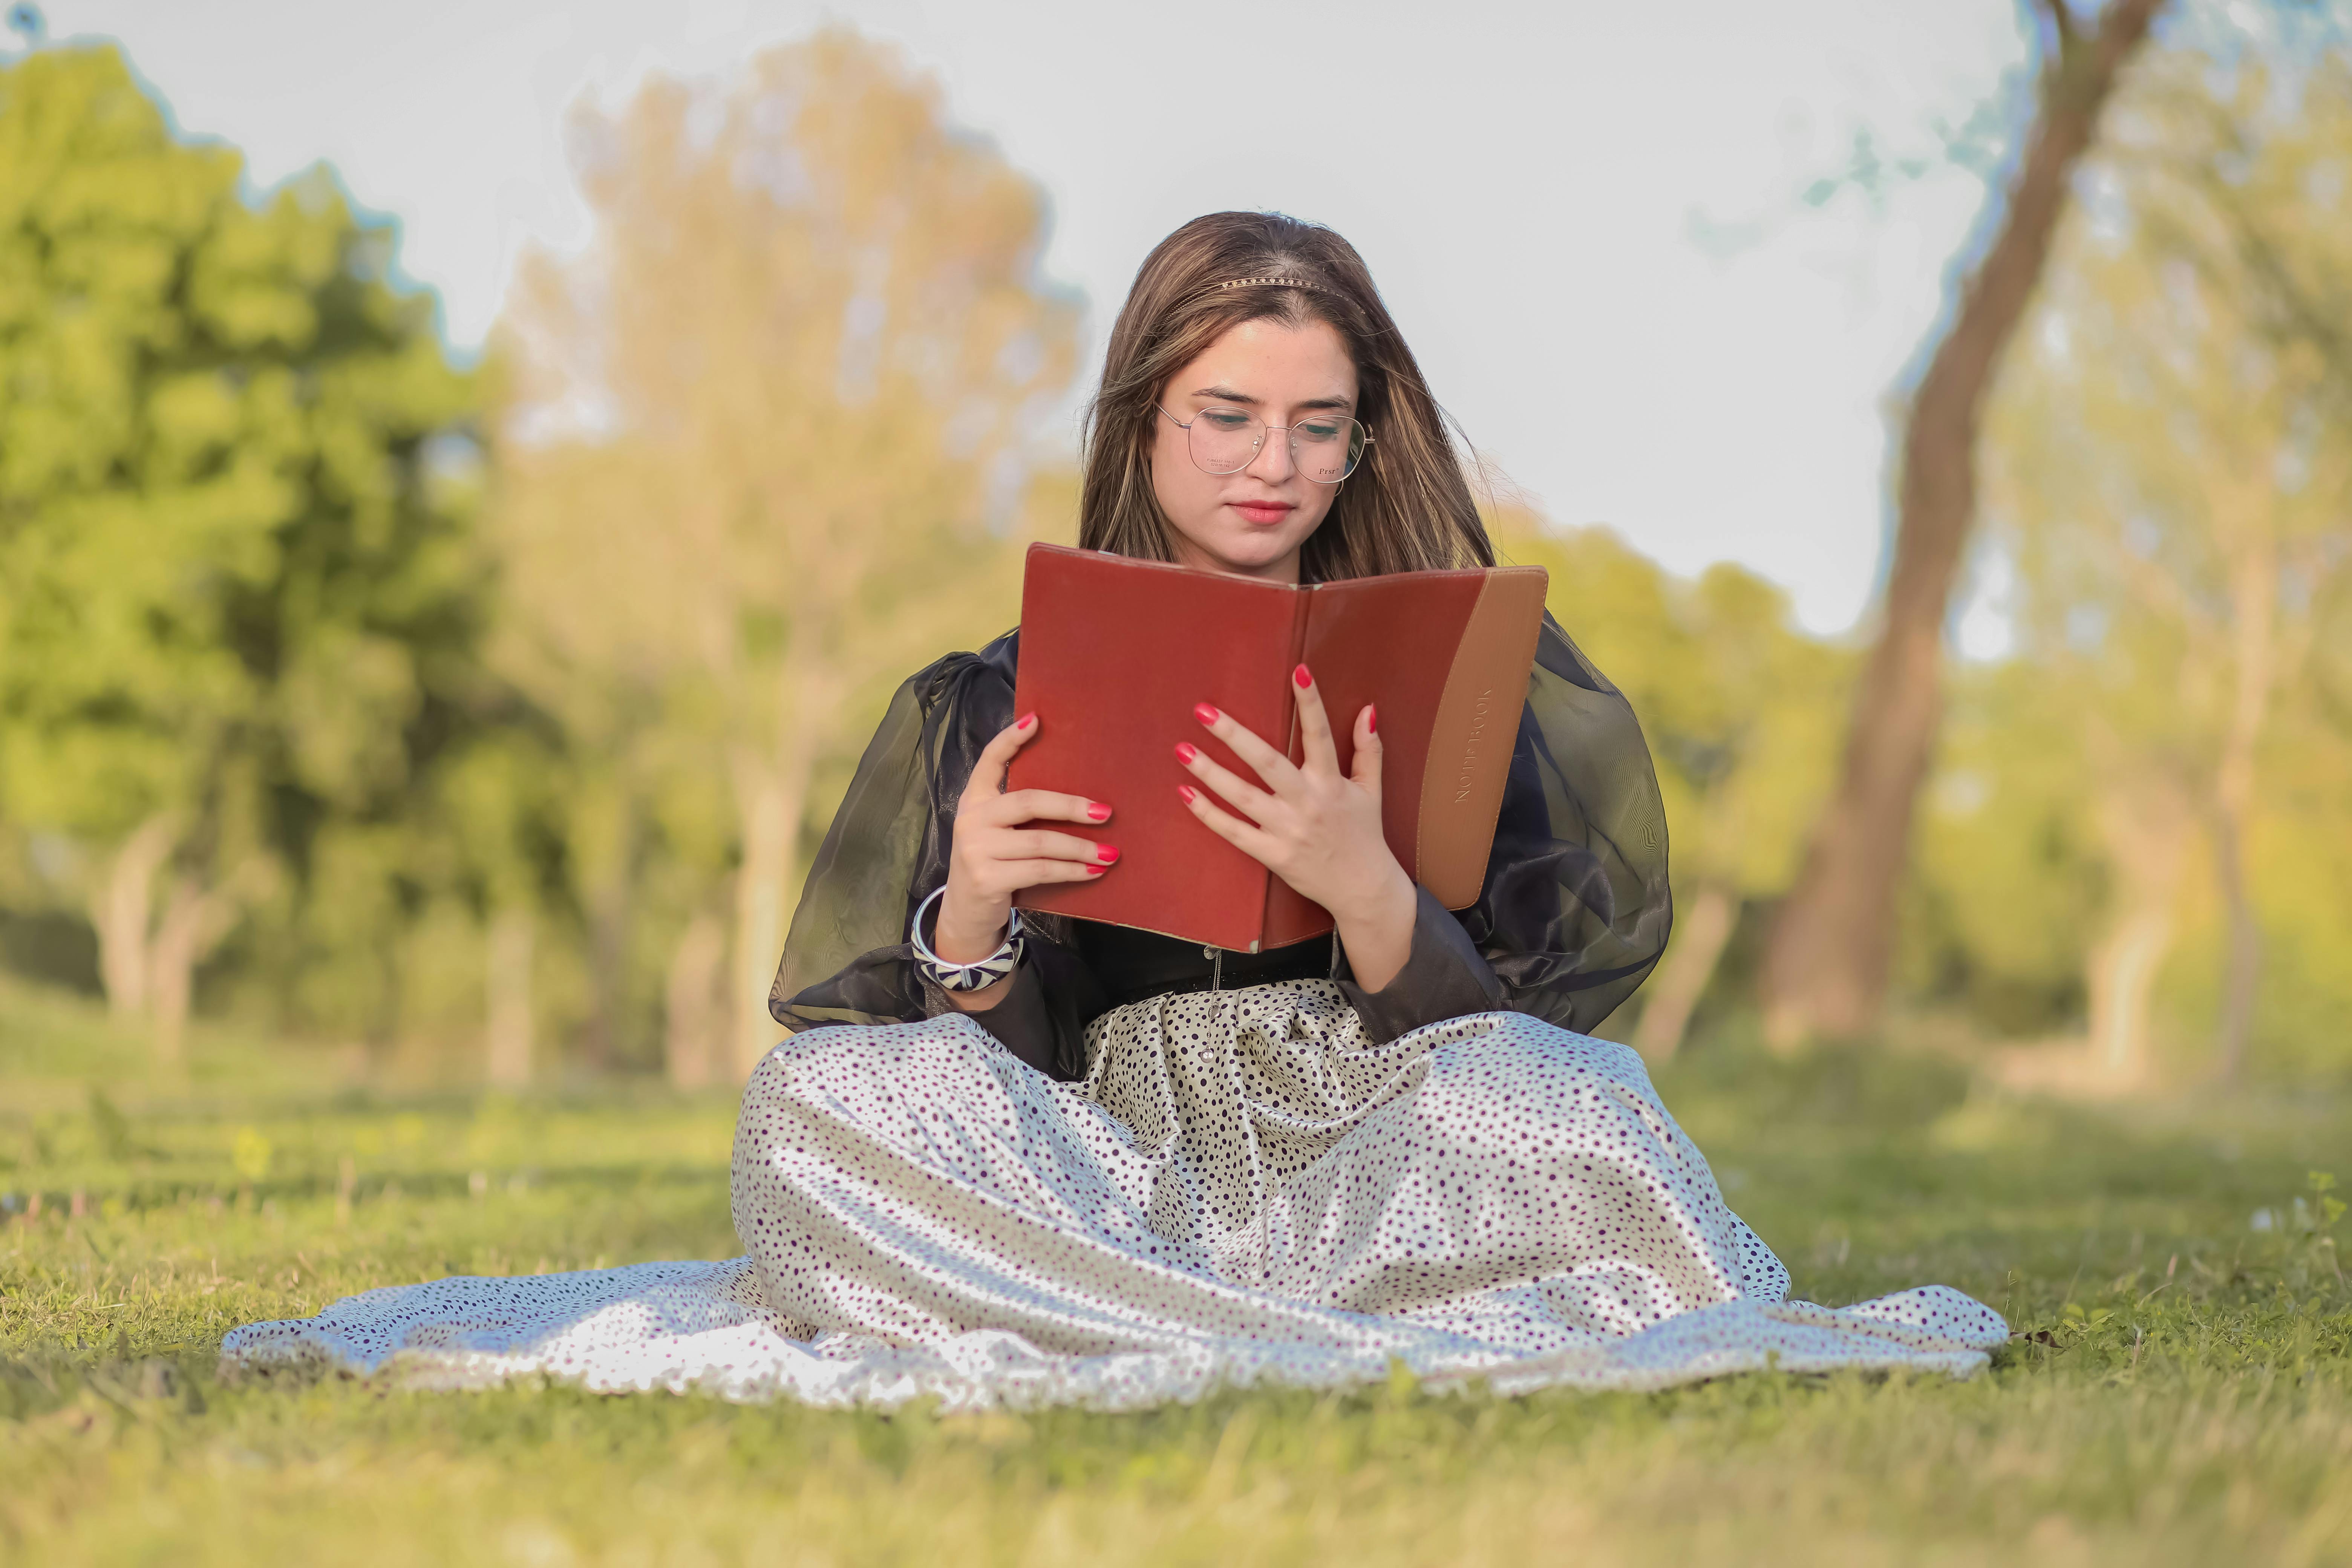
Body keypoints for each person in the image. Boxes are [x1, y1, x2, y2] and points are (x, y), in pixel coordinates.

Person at [222, 213, 2004, 1406]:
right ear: (1144, 418)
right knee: (826, 1097)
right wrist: (975, 917)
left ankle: (1223, 1324)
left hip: (1370, 1149)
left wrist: (1367, 889)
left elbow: (1508, 1040)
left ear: (1368, 438)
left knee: (1594, 1103)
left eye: (1320, 425)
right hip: (1102, 1166)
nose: (1271, 464)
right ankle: (1163, 1312)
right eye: (1228, 413)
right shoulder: (1004, 690)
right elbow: (989, 1075)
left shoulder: (1443, 667)